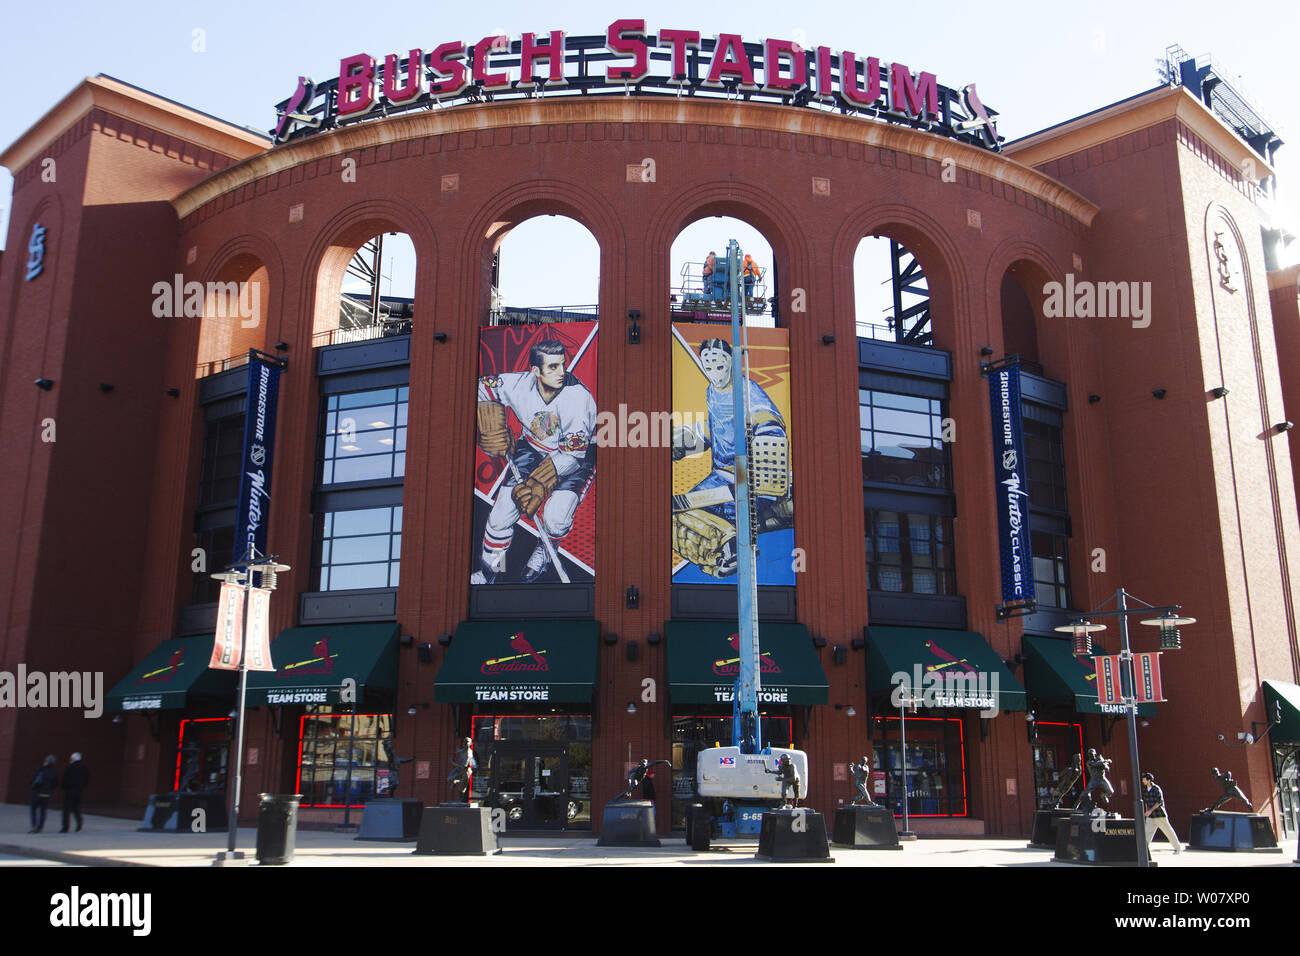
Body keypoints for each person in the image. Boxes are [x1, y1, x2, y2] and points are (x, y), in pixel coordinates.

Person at [473, 339, 597, 584]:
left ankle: (548, 545)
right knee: (500, 517)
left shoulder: (578, 400)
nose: (562, 372)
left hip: (575, 458)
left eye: (563, 365)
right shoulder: (518, 384)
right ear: (536, 371)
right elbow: (482, 387)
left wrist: (538, 485)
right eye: (553, 367)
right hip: (531, 449)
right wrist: (489, 424)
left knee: (556, 518)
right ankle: (492, 571)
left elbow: (572, 457)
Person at [671, 338, 792, 577]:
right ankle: (729, 544)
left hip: (748, 477)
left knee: (680, 513)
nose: (714, 371)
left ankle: (732, 545)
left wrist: (763, 477)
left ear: (730, 362)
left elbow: (769, 426)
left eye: (719, 364)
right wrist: (681, 441)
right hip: (719, 477)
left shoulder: (747, 390)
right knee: (675, 512)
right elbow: (718, 428)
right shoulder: (712, 392)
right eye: (708, 365)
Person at [1140, 772, 1182, 853]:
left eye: (1144, 779)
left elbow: (1159, 802)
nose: (1142, 780)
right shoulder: (1145, 789)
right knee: (1146, 833)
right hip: (1150, 817)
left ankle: (1178, 848)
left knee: (1168, 832)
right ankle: (1143, 851)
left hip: (1159, 815)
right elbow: (1146, 802)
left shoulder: (1156, 789)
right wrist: (1146, 812)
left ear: (1148, 780)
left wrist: (1150, 810)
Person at [60, 752, 89, 832]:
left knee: (66, 809)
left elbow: (65, 779)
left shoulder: (70, 767)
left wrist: (65, 787)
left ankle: (65, 827)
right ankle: (79, 823)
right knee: (76, 808)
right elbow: (87, 779)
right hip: (79, 791)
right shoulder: (84, 767)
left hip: (69, 790)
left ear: (73, 759)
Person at [29, 755, 57, 833]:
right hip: (47, 794)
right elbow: (55, 784)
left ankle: (34, 826)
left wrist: (33, 787)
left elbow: (33, 780)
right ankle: (40, 828)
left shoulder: (40, 769)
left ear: (46, 761)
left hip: (37, 793)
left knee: (33, 809)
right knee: (43, 811)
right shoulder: (53, 772)